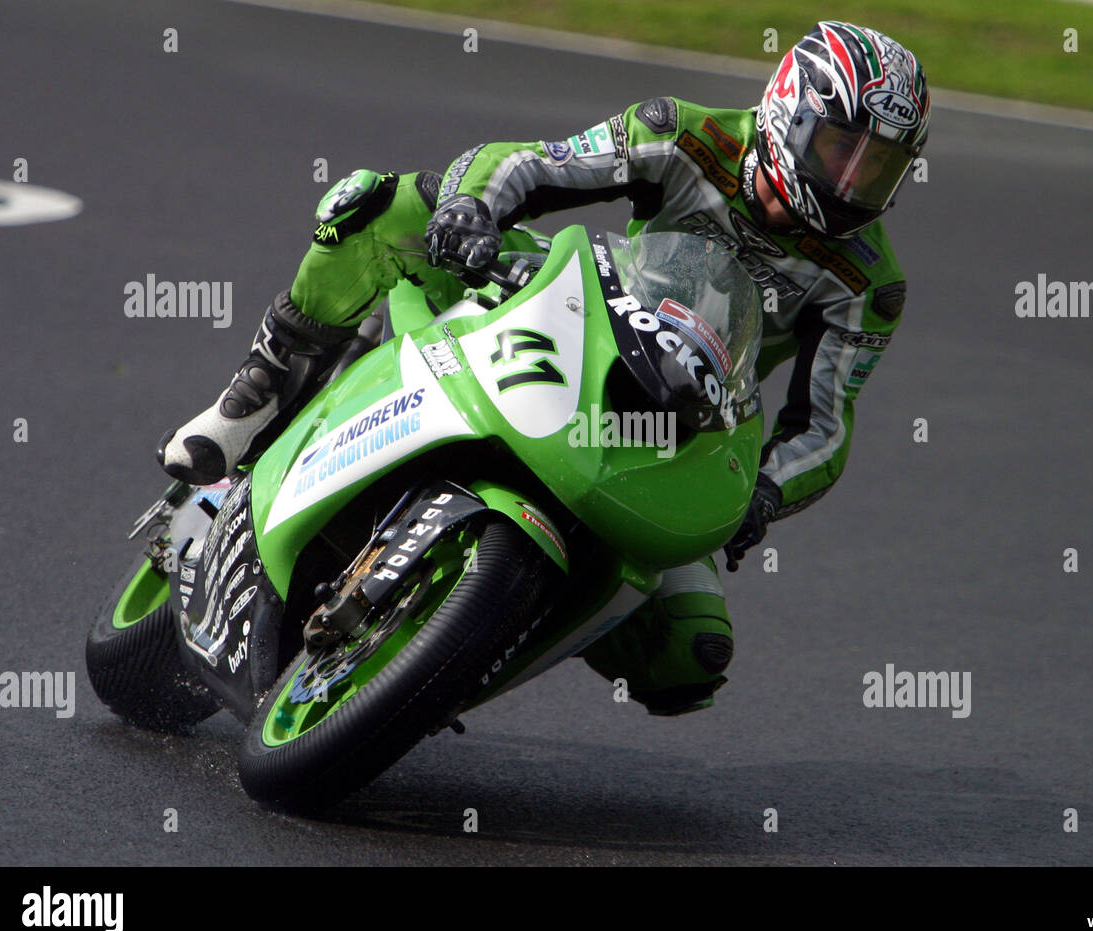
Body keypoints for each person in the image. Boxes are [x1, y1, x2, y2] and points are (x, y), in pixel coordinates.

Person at [159, 21, 930, 717]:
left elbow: (823, 430)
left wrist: (765, 490)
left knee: (690, 658)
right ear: (788, 112)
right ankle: (258, 394)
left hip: (680, 421)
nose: (853, 181)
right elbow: (534, 165)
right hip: (588, 311)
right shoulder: (684, 136)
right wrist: (472, 208)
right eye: (840, 150)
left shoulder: (870, 284)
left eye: (881, 168)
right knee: (388, 209)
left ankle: (452, 653)